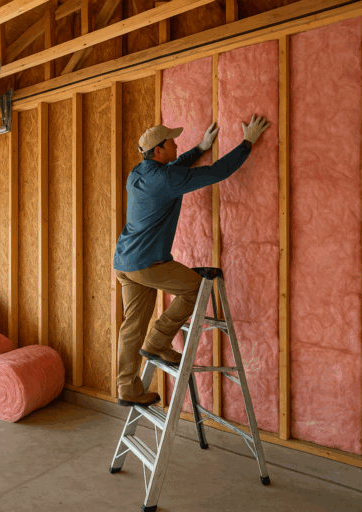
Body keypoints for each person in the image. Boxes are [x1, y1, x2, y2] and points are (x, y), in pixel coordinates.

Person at [112, 114, 271, 407]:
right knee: (196, 288)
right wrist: (247, 142)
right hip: (148, 263)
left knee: (131, 327)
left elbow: (173, 170)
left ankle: (127, 388)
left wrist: (200, 148)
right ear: (158, 151)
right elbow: (218, 171)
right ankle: (157, 342)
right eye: (172, 142)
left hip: (124, 262)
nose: (177, 144)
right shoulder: (166, 179)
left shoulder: (137, 174)